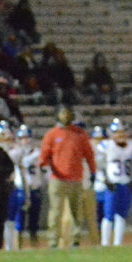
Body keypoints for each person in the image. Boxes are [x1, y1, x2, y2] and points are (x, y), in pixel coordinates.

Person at [39, 106, 96, 249]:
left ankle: (75, 240)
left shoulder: (79, 134)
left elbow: (89, 155)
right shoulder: (52, 135)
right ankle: (53, 241)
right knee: (56, 212)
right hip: (58, 178)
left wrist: (93, 171)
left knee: (77, 213)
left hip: (76, 178)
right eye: (63, 113)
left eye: (68, 113)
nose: (65, 116)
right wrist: (42, 163)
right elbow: (45, 154)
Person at [100, 118, 132, 246]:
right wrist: (104, 180)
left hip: (126, 183)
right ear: (112, 134)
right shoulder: (105, 146)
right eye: (118, 132)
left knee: (122, 215)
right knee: (108, 214)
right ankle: (105, 242)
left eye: (123, 132)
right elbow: (99, 164)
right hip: (112, 184)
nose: (121, 135)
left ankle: (118, 243)